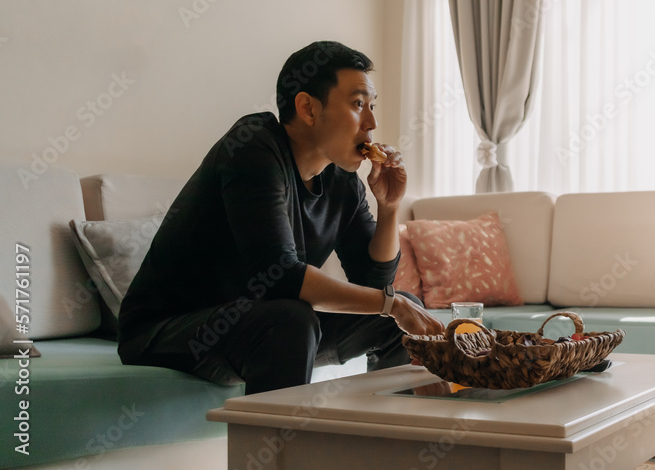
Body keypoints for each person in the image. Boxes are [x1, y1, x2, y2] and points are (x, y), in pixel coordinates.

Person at [118, 41, 444, 394]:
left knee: (403, 314)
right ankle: (278, 450)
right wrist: (388, 303)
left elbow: (373, 285)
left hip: (262, 325)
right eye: (358, 104)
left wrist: (389, 208)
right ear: (307, 108)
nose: (372, 122)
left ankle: (384, 438)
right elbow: (278, 277)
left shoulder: (342, 179)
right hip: (168, 330)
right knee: (291, 317)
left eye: (372, 106)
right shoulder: (252, 147)